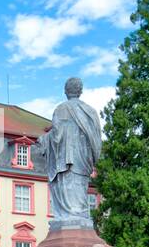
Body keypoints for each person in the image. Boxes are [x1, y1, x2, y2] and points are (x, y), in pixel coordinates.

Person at [36, 77, 102, 230]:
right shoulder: (91, 112)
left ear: (66, 91)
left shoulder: (61, 109)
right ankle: (80, 216)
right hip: (84, 159)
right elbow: (97, 138)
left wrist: (44, 139)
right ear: (81, 91)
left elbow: (57, 135)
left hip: (67, 159)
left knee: (68, 188)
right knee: (80, 189)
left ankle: (70, 217)